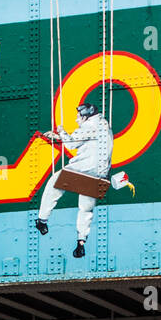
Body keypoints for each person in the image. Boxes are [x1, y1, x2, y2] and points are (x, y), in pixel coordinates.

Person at [34, 102, 124, 257]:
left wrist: (61, 131)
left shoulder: (90, 125)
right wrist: (59, 137)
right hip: (99, 177)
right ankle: (81, 242)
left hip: (81, 172)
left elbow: (72, 144)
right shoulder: (105, 126)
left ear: (86, 116)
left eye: (78, 116)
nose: (76, 120)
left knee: (53, 185)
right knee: (86, 209)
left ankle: (42, 220)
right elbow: (88, 142)